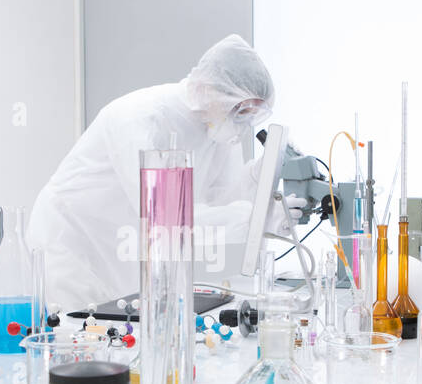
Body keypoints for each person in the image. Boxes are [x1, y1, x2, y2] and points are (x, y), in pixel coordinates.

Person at [29, 35, 293, 310]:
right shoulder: (139, 118)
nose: (243, 123)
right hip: (72, 241)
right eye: (240, 110)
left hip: (120, 246)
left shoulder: (219, 130)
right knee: (75, 328)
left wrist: (257, 181)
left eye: (251, 115)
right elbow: (165, 217)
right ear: (208, 89)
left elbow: (218, 202)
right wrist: (255, 219)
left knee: (120, 327)